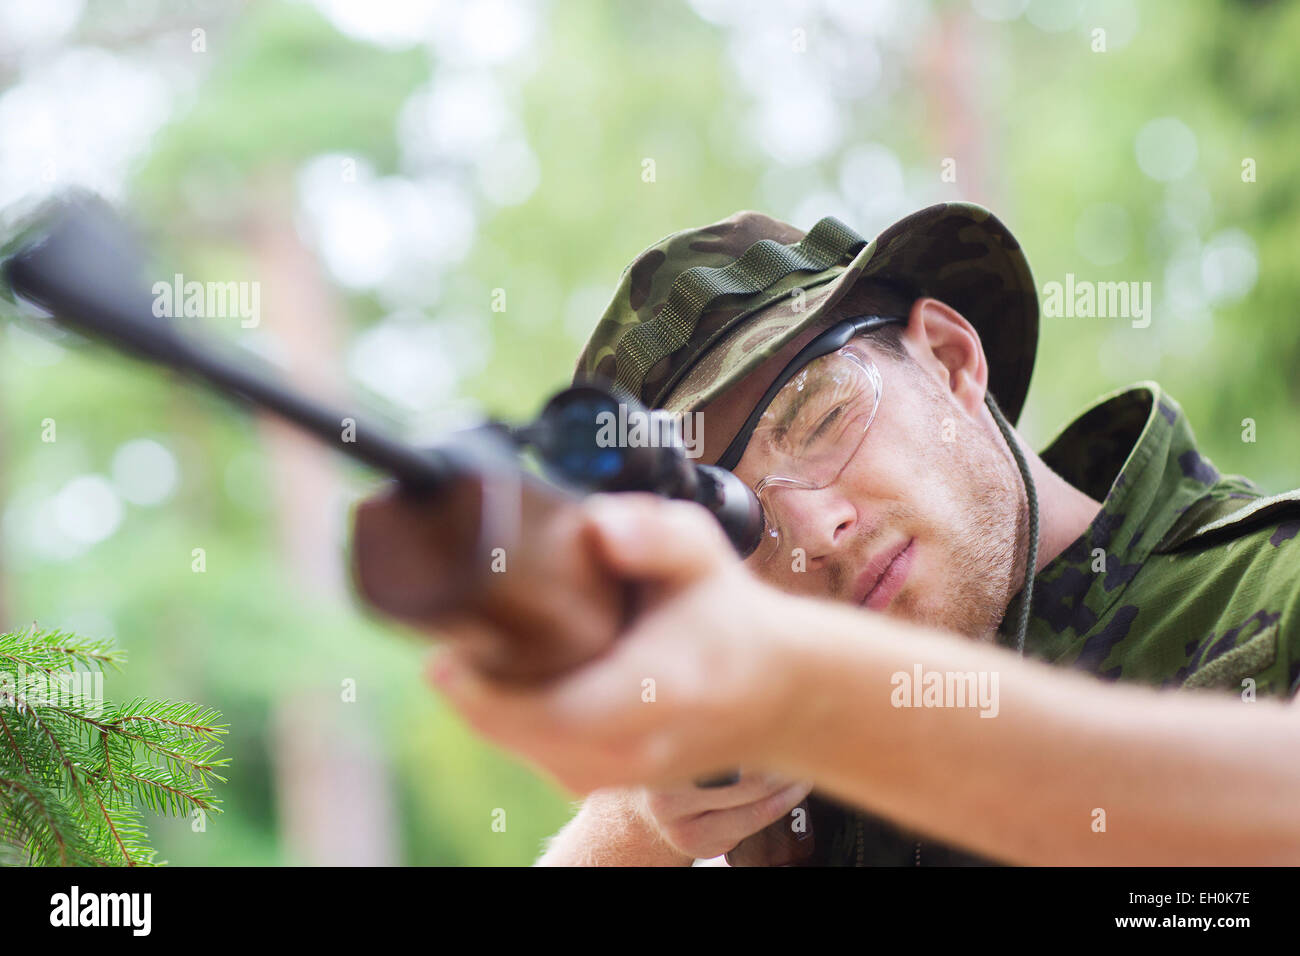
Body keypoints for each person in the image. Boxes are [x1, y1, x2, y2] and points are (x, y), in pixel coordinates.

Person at [354, 204, 1300, 866]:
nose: (813, 528)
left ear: (951, 358)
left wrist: (808, 699)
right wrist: (639, 823)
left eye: (820, 419)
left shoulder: (1274, 597)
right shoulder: (779, 803)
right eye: (734, 520)